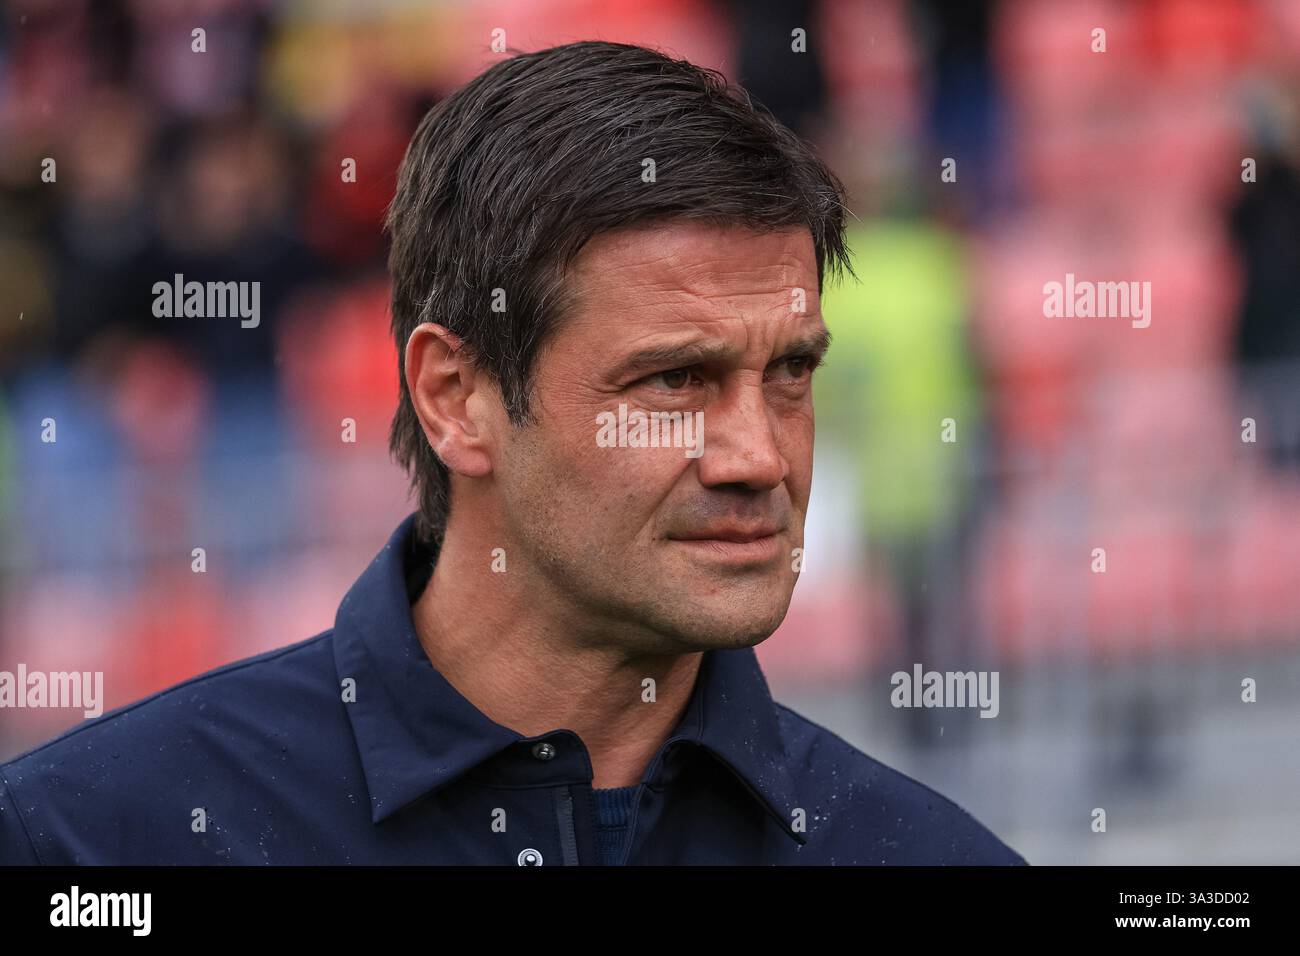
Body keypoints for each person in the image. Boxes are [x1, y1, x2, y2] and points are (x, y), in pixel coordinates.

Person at [0, 40, 1024, 865]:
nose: (758, 456)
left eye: (789, 373)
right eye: (674, 381)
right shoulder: (90, 836)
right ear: (455, 397)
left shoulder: (922, 849)